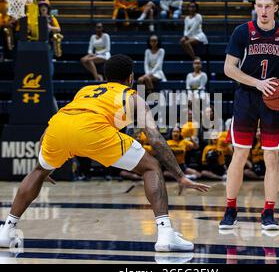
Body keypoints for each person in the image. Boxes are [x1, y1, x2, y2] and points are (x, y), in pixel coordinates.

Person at [0, 54, 210, 251]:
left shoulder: (85, 91)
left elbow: (53, 127)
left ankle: (6, 230)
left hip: (57, 128)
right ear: (130, 77)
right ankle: (165, 234)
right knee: (151, 167)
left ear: (106, 77)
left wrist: (46, 164)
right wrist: (180, 176)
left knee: (38, 170)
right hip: (95, 131)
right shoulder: (133, 96)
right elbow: (155, 139)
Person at [220, 0, 279, 231]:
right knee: (240, 153)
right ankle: (230, 209)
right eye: (259, 6)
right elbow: (229, 68)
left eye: (268, 6)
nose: (263, 11)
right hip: (247, 97)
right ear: (254, 7)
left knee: (271, 156)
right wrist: (257, 83)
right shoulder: (242, 32)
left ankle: (268, 212)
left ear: (276, 8)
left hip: (274, 101)